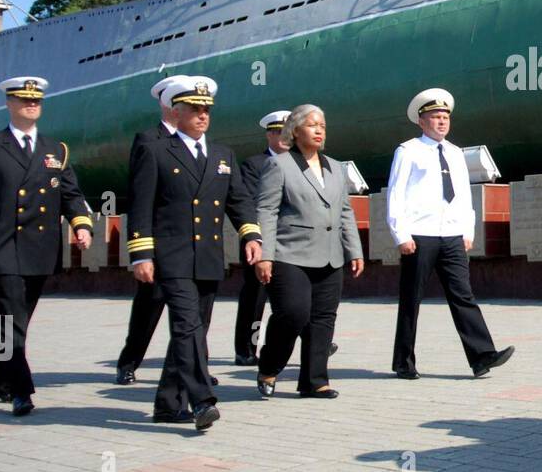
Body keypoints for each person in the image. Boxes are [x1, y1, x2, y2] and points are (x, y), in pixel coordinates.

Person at [0, 76, 94, 416]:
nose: (32, 105)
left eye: (37, 101)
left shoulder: (55, 149)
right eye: (24, 100)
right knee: (10, 320)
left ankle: (0, 378)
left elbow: (69, 192)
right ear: (10, 104)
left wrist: (81, 224)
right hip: (3, 246)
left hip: (40, 246)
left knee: (18, 321)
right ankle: (21, 390)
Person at [127, 76, 261, 431]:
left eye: (207, 110)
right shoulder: (156, 151)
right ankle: (202, 400)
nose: (203, 116)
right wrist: (141, 254)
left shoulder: (222, 155)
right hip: (171, 256)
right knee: (187, 327)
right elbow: (140, 205)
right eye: (196, 110)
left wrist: (251, 234)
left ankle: (168, 405)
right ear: (177, 111)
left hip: (207, 257)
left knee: (195, 330)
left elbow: (239, 200)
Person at [387, 88, 513, 380]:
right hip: (420, 235)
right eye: (435, 117)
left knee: (463, 295)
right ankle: (404, 362)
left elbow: (464, 196)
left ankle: (482, 356)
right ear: (421, 121)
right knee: (411, 299)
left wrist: (466, 230)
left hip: (452, 236)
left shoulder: (456, 153)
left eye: (445, 117)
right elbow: (396, 194)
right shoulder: (408, 151)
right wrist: (400, 234)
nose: (441, 122)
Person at [253, 105, 365, 398]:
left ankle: (315, 380)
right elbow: (266, 210)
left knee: (324, 317)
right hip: (290, 254)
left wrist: (355, 250)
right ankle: (269, 365)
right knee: (292, 314)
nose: (318, 131)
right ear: (295, 130)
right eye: (312, 125)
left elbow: (344, 211)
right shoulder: (280, 165)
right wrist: (265, 254)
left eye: (323, 126)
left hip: (330, 255)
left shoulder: (336, 167)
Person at [116, 75, 187, 385]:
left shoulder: (201, 144)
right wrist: (141, 251)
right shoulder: (149, 140)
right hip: (160, 243)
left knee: (195, 315)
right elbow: (141, 198)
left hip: (193, 244)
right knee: (150, 305)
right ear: (166, 102)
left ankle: (193, 368)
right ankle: (129, 360)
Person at [233, 110, 290, 366]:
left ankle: (314, 340)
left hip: (292, 241)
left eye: (288, 132)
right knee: (256, 298)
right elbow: (252, 203)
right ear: (269, 135)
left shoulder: (302, 163)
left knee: (297, 296)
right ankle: (246, 347)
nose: (284, 137)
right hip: (261, 240)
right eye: (278, 132)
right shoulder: (254, 165)